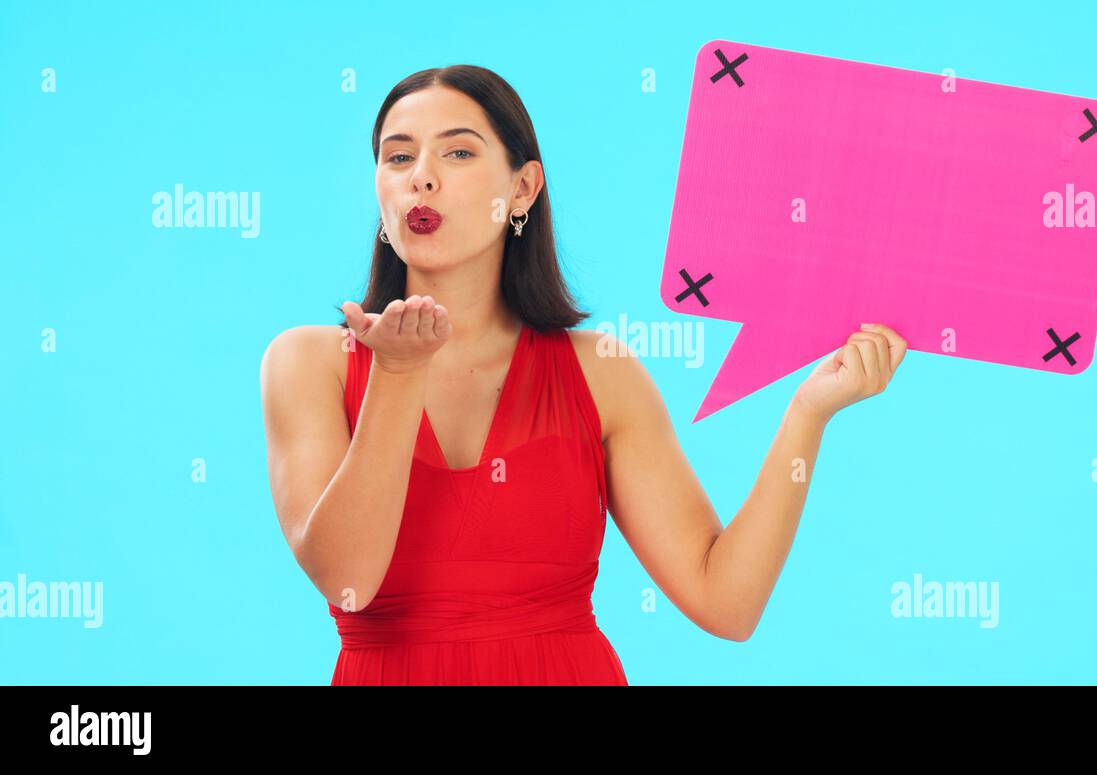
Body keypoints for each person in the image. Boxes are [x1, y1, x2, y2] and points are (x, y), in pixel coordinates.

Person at [259, 65, 908, 685]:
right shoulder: (306, 362)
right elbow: (348, 578)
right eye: (399, 157)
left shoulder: (601, 373)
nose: (420, 179)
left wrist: (809, 412)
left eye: (457, 153)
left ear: (523, 188)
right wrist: (397, 376)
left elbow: (726, 602)